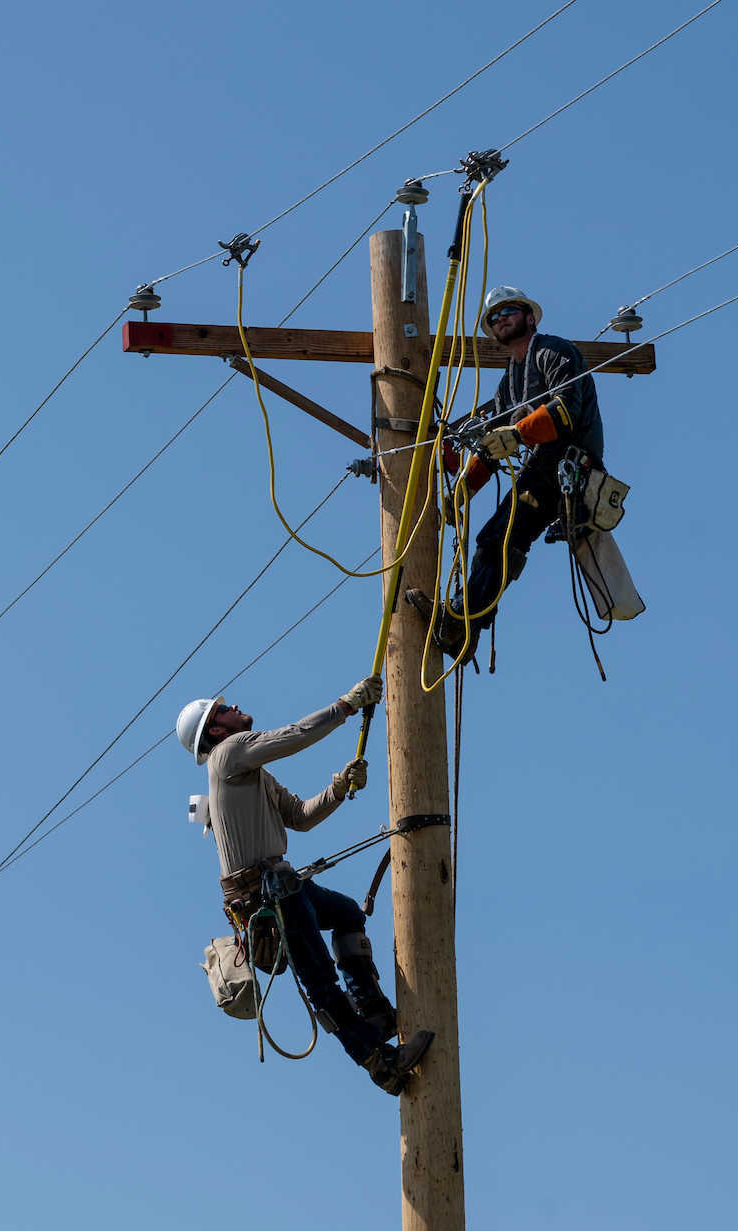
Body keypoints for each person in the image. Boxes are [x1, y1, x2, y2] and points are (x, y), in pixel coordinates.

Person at [175, 675, 433, 1095]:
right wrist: (346, 706)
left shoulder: (252, 773)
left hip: (283, 883)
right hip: (267, 894)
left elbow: (300, 817)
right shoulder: (228, 754)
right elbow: (294, 735)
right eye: (222, 709)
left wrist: (338, 788)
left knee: (348, 914)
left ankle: (373, 1010)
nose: (232, 705)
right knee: (320, 981)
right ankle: (379, 1063)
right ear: (216, 731)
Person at [410, 285, 606, 666]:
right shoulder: (509, 382)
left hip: (569, 463)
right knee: (494, 538)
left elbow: (566, 410)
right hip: (543, 465)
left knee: (503, 537)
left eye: (508, 311)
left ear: (529, 317)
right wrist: (463, 491)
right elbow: (490, 446)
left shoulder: (554, 351)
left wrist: (517, 434)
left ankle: (460, 619)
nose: (501, 319)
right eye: (494, 317)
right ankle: (464, 629)